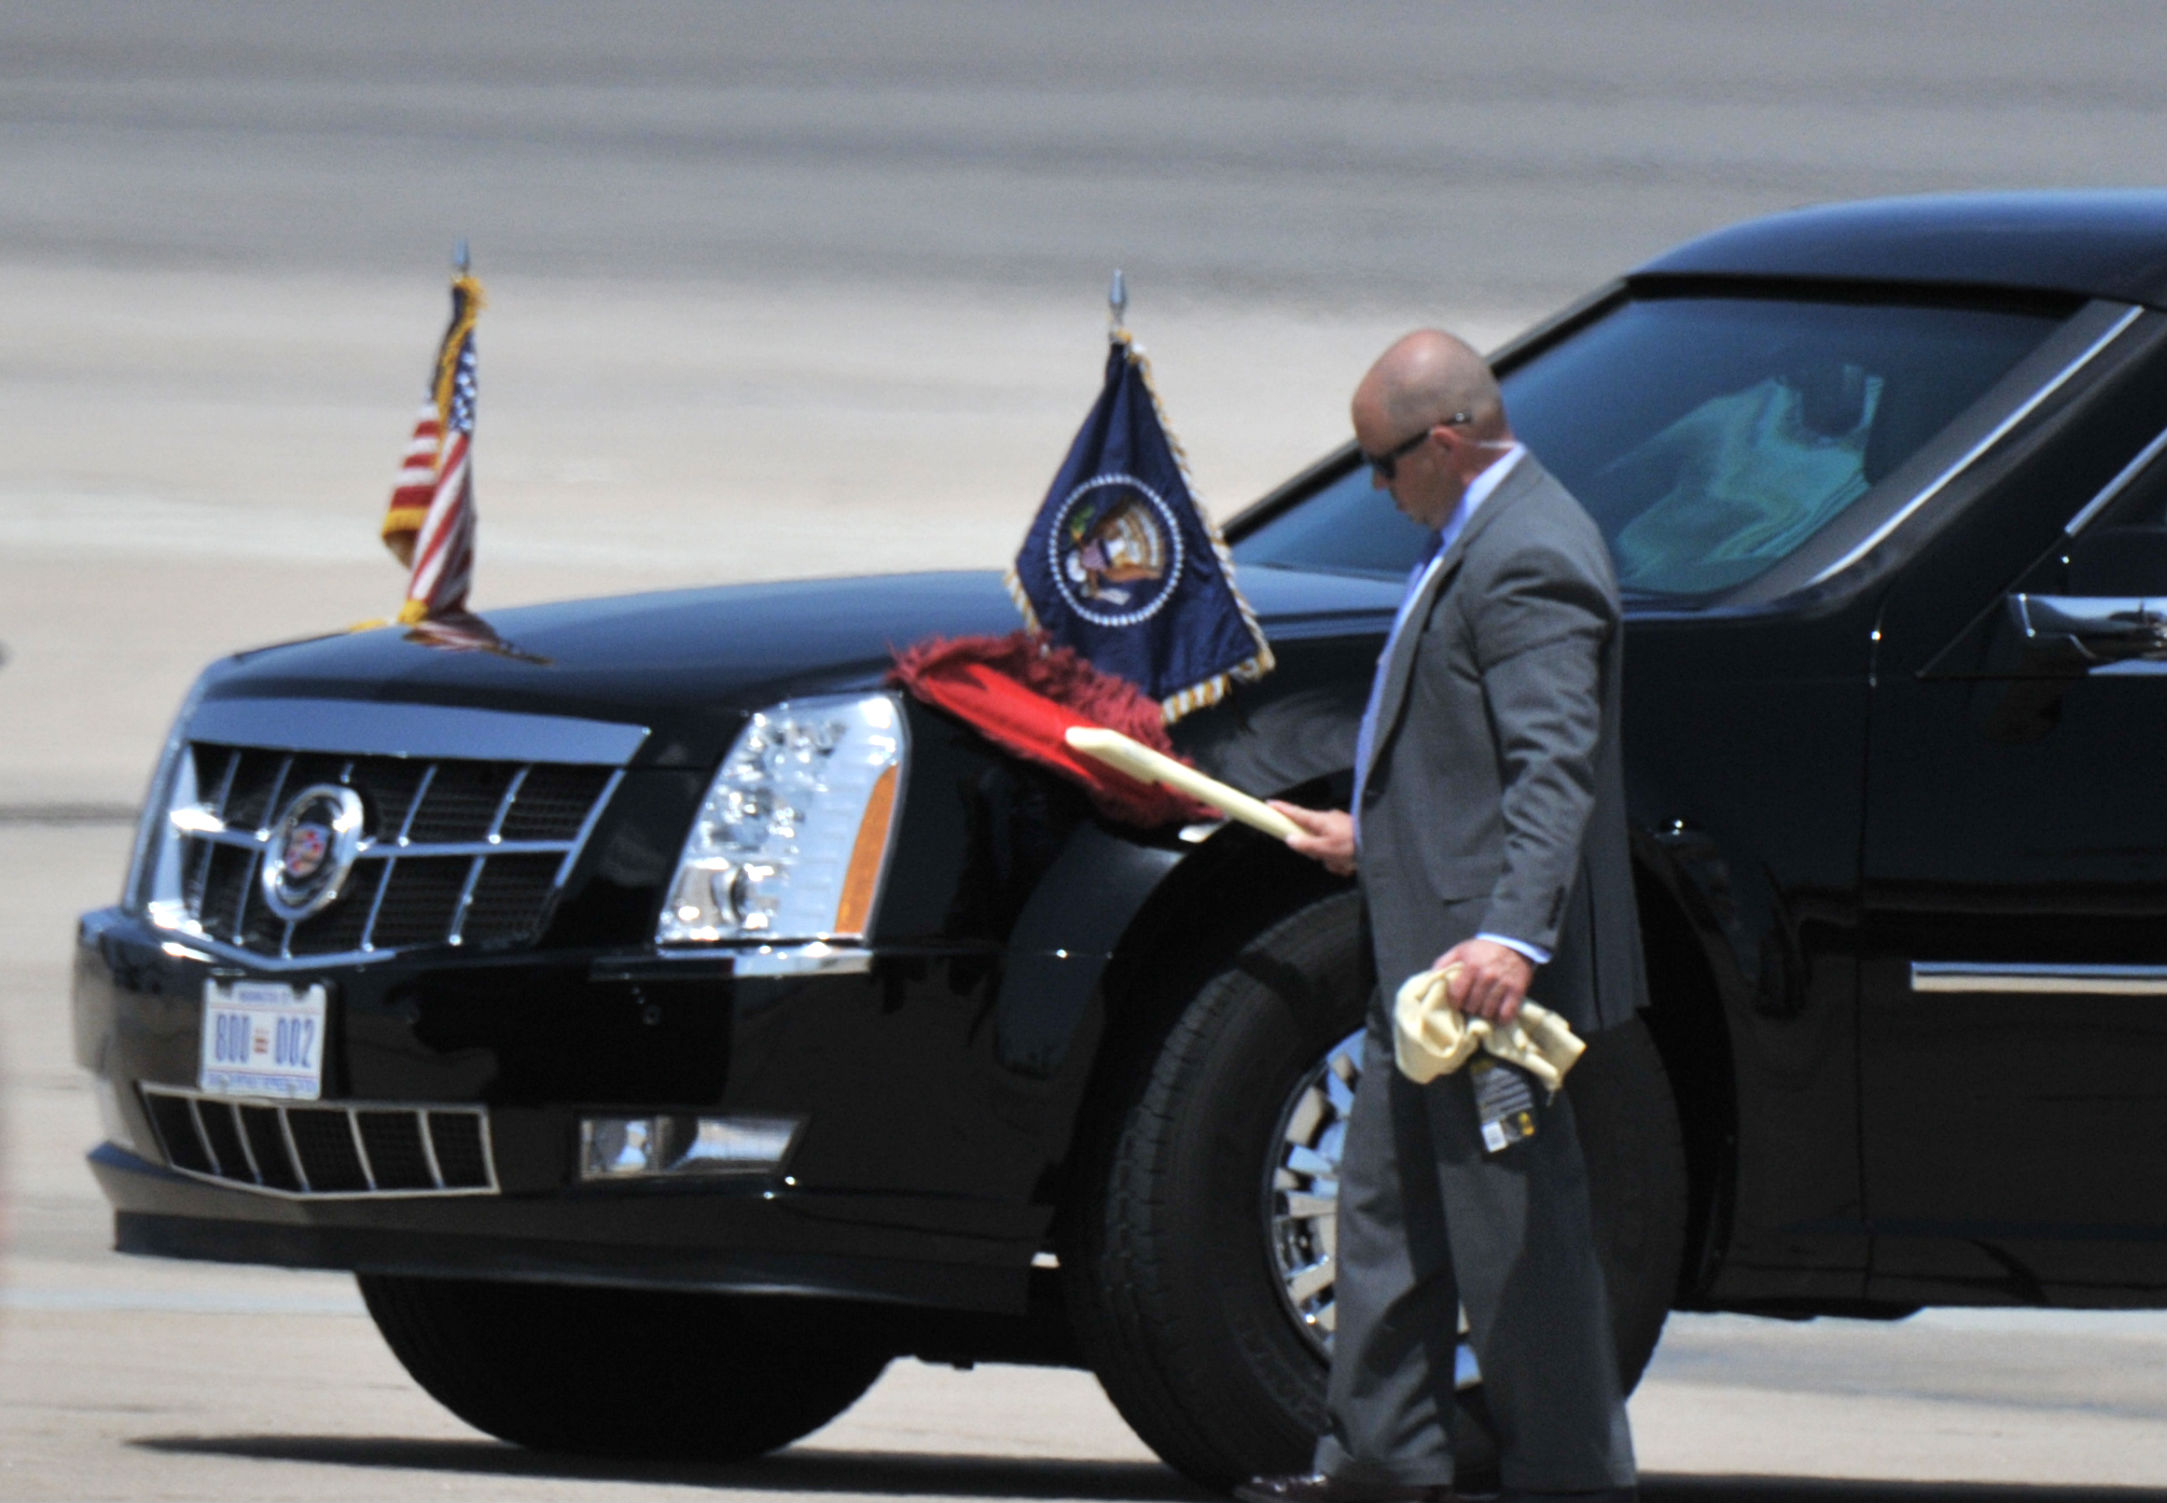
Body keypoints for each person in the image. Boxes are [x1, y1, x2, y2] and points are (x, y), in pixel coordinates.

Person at [1240, 330, 1646, 1503]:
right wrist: (1371, 839)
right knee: (1385, 1214)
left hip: (1479, 978)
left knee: (1517, 1237)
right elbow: (1463, 758)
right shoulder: (1476, 533)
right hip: (1427, 957)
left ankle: (1572, 1479)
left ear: (1449, 441)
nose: (1375, 486)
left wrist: (1512, 938)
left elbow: (1551, 766)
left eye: (1383, 461)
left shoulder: (1531, 554)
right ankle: (1379, 1466)